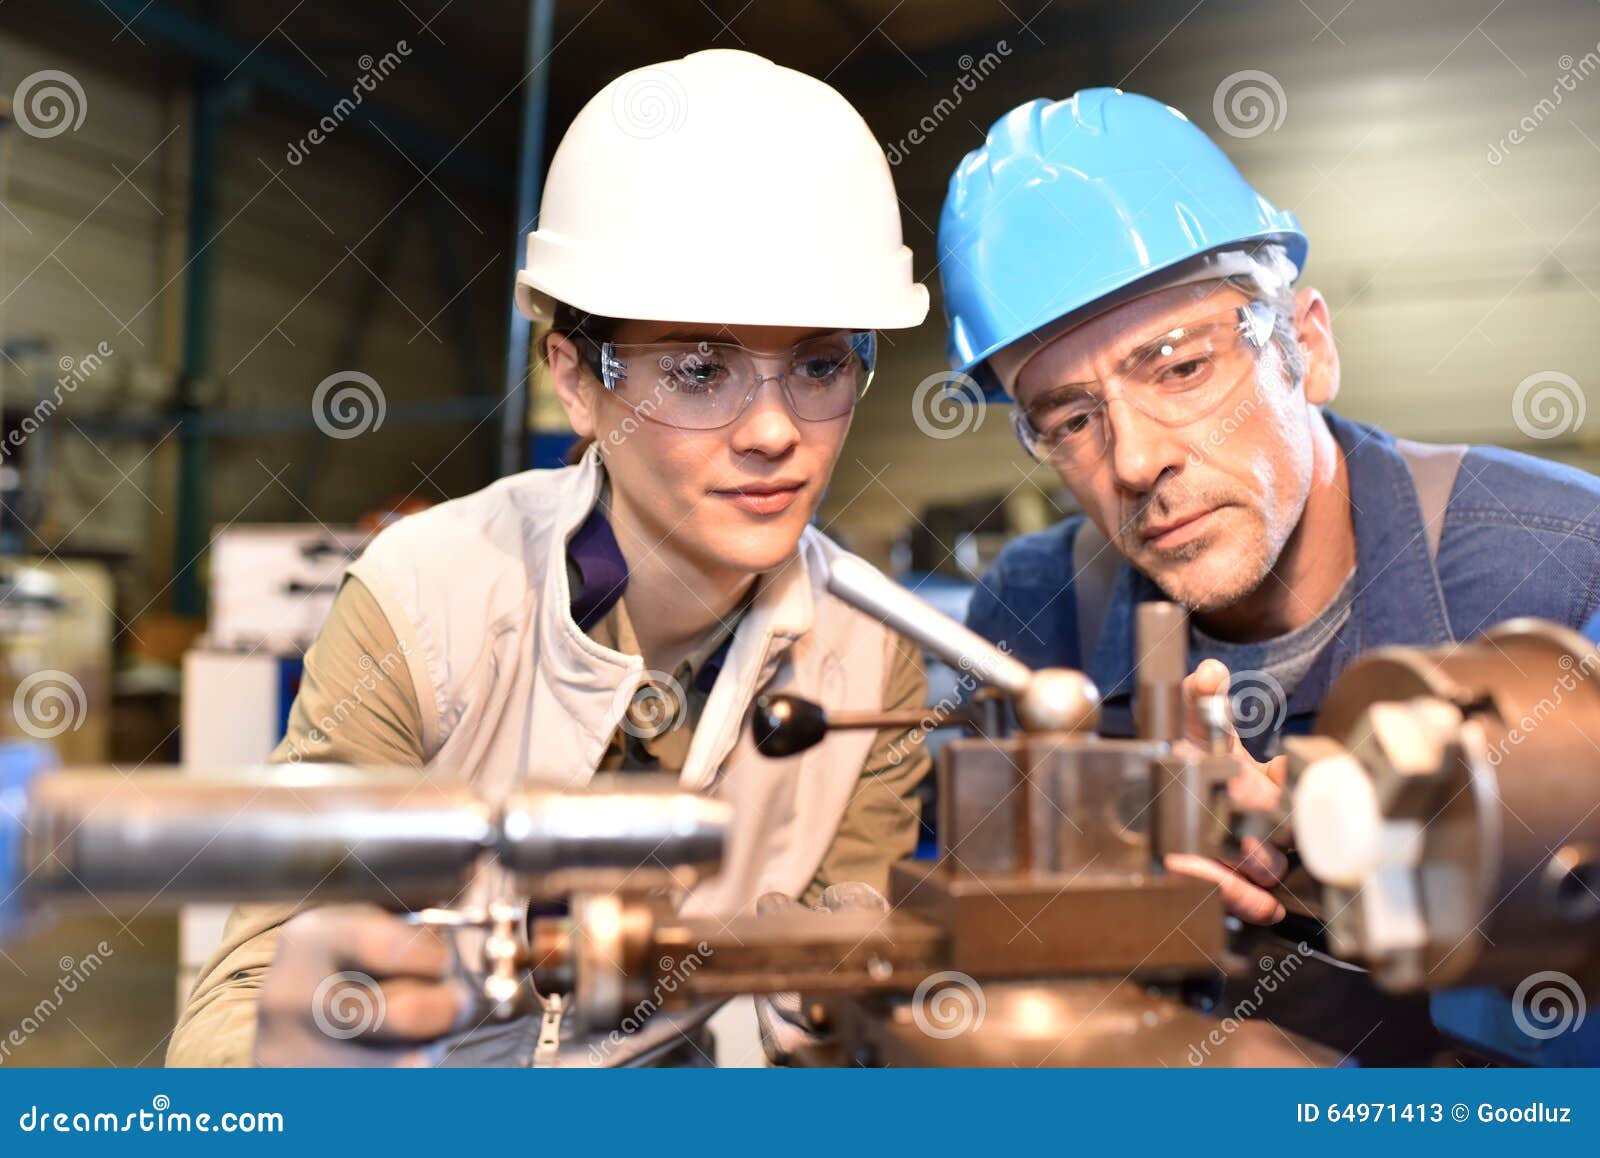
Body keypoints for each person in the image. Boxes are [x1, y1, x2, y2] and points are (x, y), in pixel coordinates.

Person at [169, 49, 932, 1068]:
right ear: (575, 380)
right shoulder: (426, 601)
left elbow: (853, 930)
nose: (772, 431)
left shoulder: (873, 652)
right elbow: (258, 983)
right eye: (699, 370)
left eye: (819, 364)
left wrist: (841, 994)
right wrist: (289, 1066)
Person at [939, 88, 1600, 1061]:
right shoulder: (1031, 620)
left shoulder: (1558, 570)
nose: (1132, 462)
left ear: (1310, 346)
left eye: (1177, 368)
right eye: (1071, 419)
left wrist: (1379, 882)